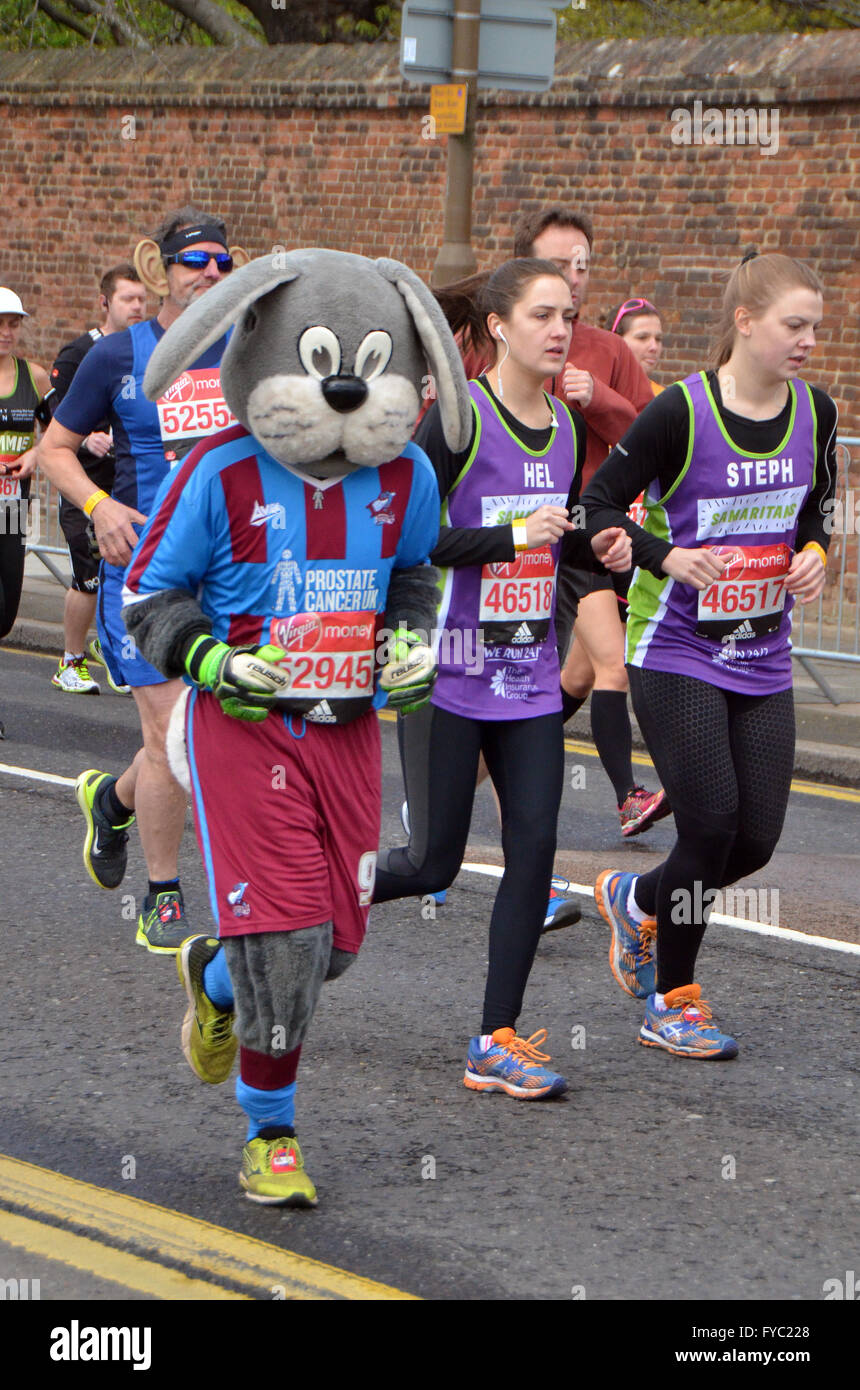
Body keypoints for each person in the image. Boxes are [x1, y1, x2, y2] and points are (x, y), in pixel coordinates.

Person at [374, 258, 632, 1100]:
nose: (561, 330)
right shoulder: (456, 423)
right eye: (543, 315)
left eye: (570, 315)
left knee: (533, 852)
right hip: (446, 674)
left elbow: (556, 549)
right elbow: (407, 545)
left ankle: (496, 1038)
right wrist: (511, 536)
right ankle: (307, 890)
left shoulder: (563, 429)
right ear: (497, 328)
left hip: (523, 679)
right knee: (432, 862)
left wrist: (612, 557)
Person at [584, 251, 836, 1059]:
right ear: (744, 321)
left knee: (754, 840)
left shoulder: (817, 413)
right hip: (677, 647)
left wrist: (818, 557)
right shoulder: (680, 414)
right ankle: (674, 1000)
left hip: (762, 652)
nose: (806, 342)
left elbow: (814, 514)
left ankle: (638, 899)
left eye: (814, 329)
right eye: (794, 325)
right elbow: (592, 507)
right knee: (710, 823)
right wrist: (663, 555)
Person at [37, 208, 244, 953]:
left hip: (231, 571)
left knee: (208, 732)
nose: (210, 274)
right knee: (170, 739)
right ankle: (164, 894)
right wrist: (98, 504)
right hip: (146, 573)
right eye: (195, 261)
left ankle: (112, 799)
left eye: (222, 262)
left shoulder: (247, 349)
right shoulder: (118, 356)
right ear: (161, 267)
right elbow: (54, 450)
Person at [512, 211, 670, 840]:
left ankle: (616, 791)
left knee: (590, 672)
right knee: (594, 671)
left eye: (581, 266)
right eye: (557, 265)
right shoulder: (502, 339)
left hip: (589, 532)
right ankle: (625, 794)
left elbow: (651, 437)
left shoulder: (607, 349)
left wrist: (598, 398)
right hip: (520, 534)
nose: (572, 279)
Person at [49, 264, 146, 694]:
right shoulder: (82, 353)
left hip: (126, 488)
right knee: (88, 576)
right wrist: (88, 438)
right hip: (84, 488)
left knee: (131, 574)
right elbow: (56, 420)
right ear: (105, 303)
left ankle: (119, 650)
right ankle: (70, 660)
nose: (138, 307)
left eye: (143, 299)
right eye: (128, 299)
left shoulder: (149, 353)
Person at [0, 288, 51, 734]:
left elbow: (60, 434)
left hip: (12, 510)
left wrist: (35, 456)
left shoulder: (32, 377)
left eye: (13, 323)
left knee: (5, 613)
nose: (6, 332)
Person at [608, 297, 665, 395]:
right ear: (616, 340)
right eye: (642, 337)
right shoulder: (592, 390)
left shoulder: (662, 398)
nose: (654, 347)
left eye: (658, 339)